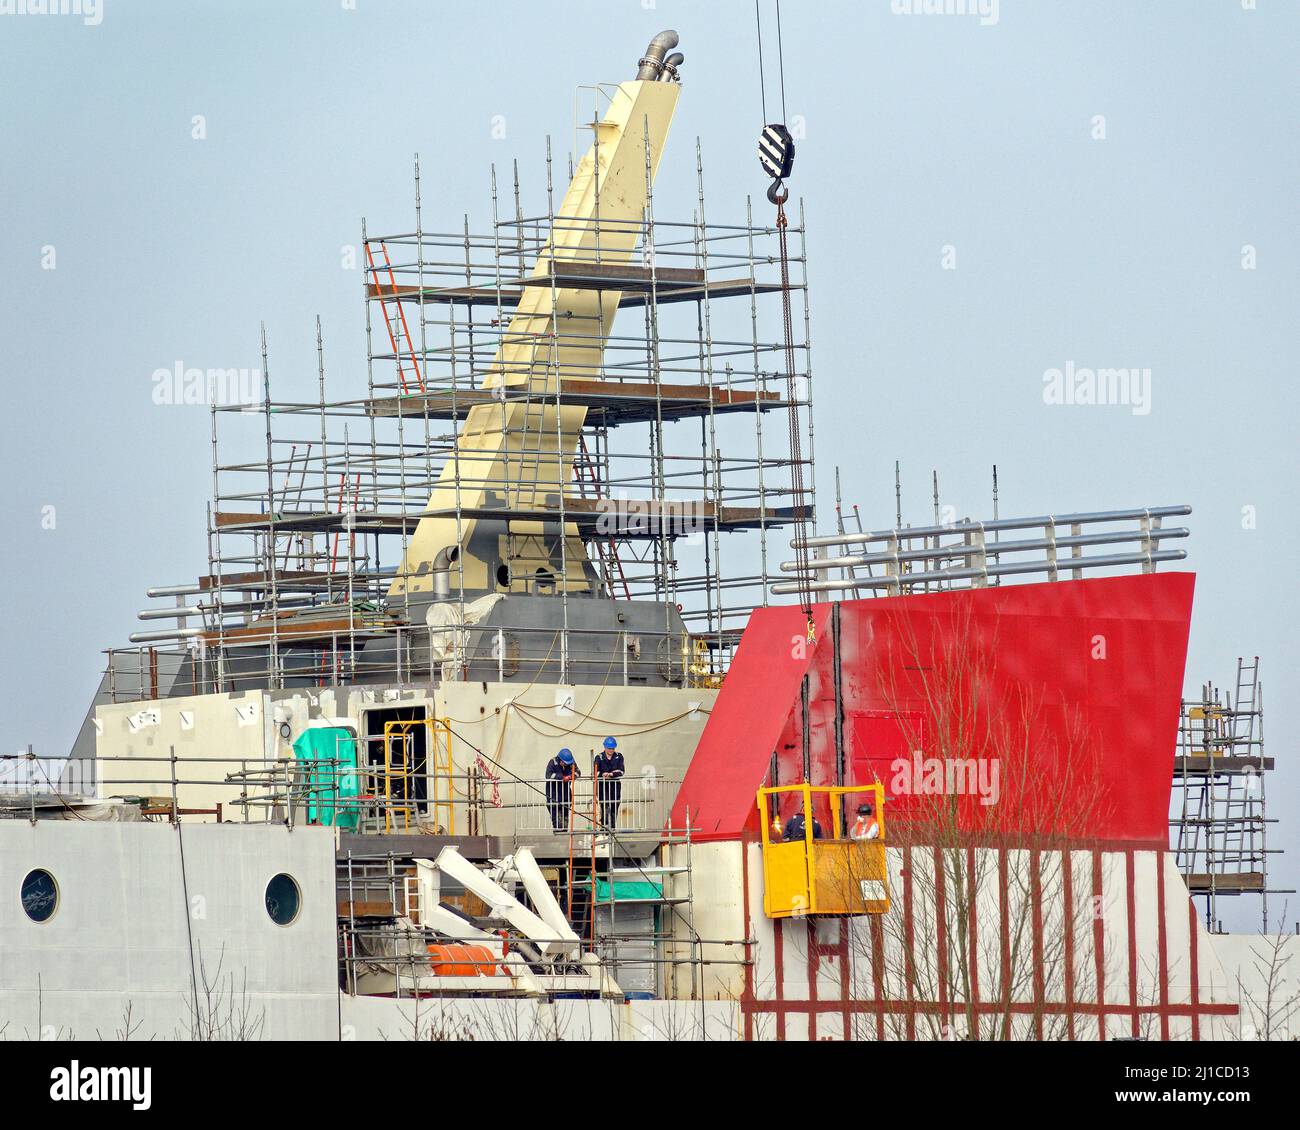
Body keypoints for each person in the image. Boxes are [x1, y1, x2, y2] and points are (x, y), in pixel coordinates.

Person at [593, 736, 625, 830]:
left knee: (615, 805)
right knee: (605, 806)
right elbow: (595, 772)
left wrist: (612, 774)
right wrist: (603, 774)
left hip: (615, 786)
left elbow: (622, 771)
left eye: (612, 748)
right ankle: (605, 827)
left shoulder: (619, 756)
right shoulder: (599, 757)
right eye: (609, 748)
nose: (611, 750)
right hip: (603, 786)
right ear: (605, 747)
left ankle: (612, 827)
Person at [545, 748, 580, 832]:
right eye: (564, 763)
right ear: (560, 759)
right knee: (556, 819)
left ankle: (564, 832)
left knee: (565, 818)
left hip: (565, 793)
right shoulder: (552, 762)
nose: (565, 765)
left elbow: (578, 772)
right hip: (553, 794)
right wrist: (561, 777)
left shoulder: (571, 762)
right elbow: (548, 775)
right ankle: (557, 833)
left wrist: (571, 776)